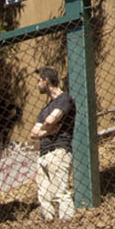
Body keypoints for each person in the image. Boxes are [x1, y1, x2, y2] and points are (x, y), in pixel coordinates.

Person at [29, 67, 75, 220]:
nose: (37, 85)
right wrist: (48, 131)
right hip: (43, 154)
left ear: (46, 81)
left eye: (38, 81)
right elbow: (33, 133)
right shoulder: (45, 108)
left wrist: (45, 128)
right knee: (44, 196)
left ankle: (68, 226)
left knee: (60, 193)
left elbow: (51, 120)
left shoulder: (64, 99)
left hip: (59, 150)